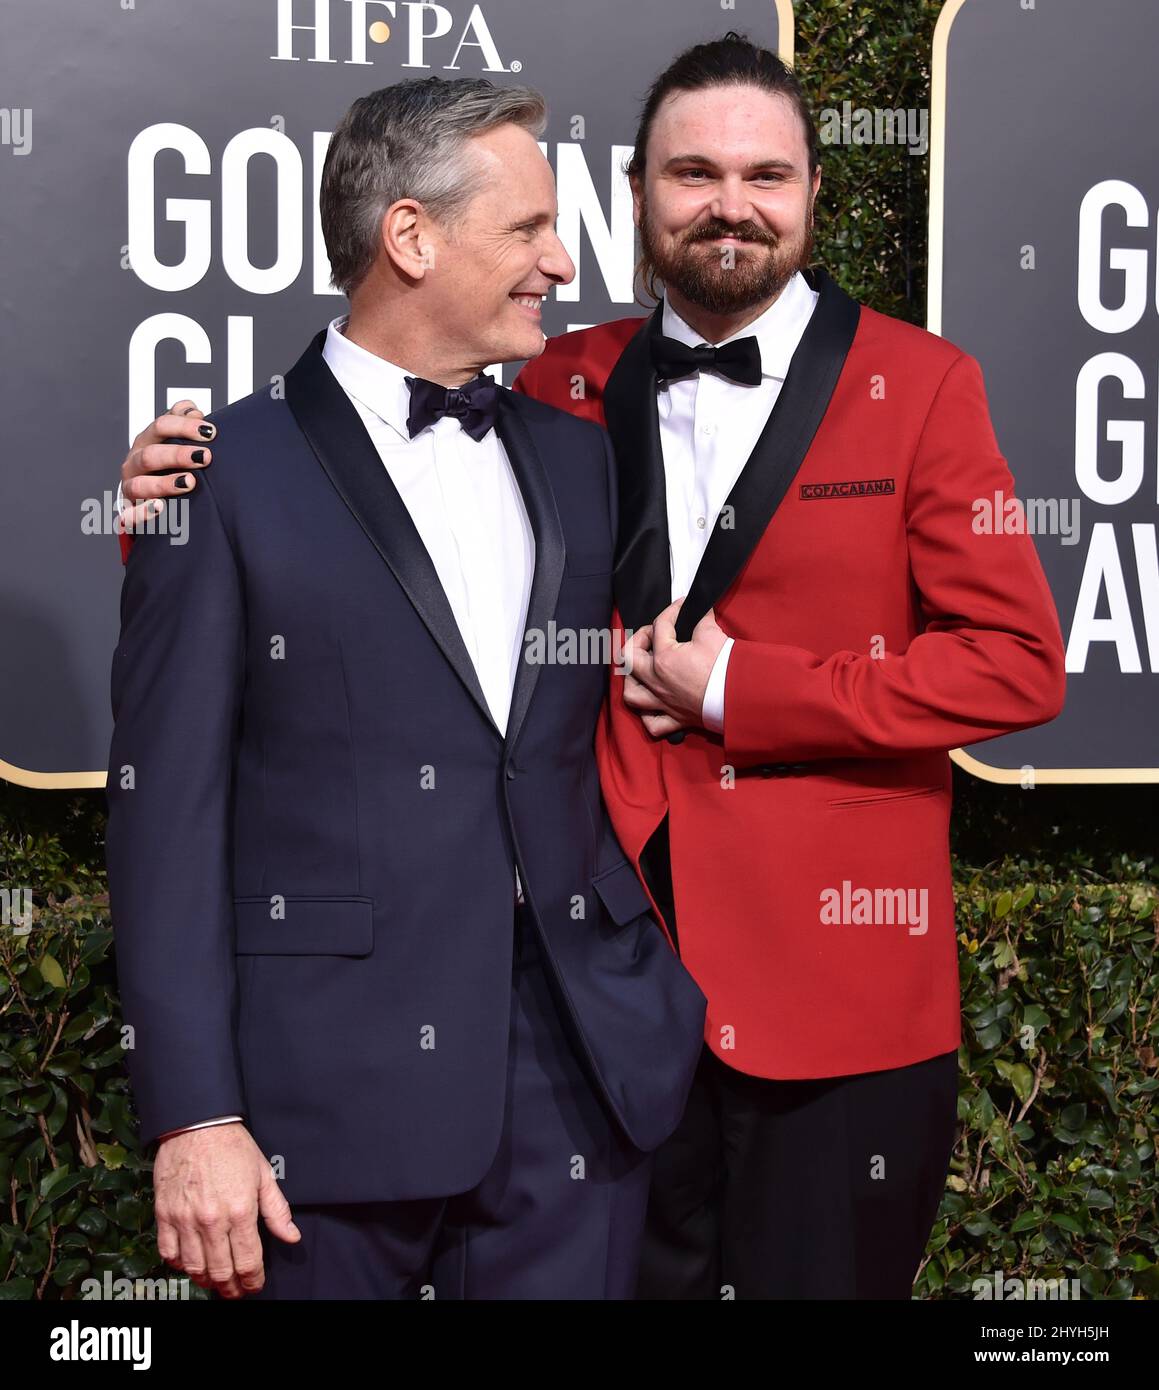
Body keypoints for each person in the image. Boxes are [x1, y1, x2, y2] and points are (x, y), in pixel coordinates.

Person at [119, 35, 1066, 1300]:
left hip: (759, 1013)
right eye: (690, 172)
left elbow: (1013, 664)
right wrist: (158, 512)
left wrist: (746, 690)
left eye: (767, 174)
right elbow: (269, 619)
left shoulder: (915, 386)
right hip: (561, 1035)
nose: (731, 203)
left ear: (814, 195)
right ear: (640, 196)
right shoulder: (558, 387)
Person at [105, 75, 706, 1302]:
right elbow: (161, 822)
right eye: (530, 228)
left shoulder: (580, 459)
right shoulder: (213, 479)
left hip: (578, 1080)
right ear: (412, 237)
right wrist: (193, 1116)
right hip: (321, 1108)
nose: (562, 258)